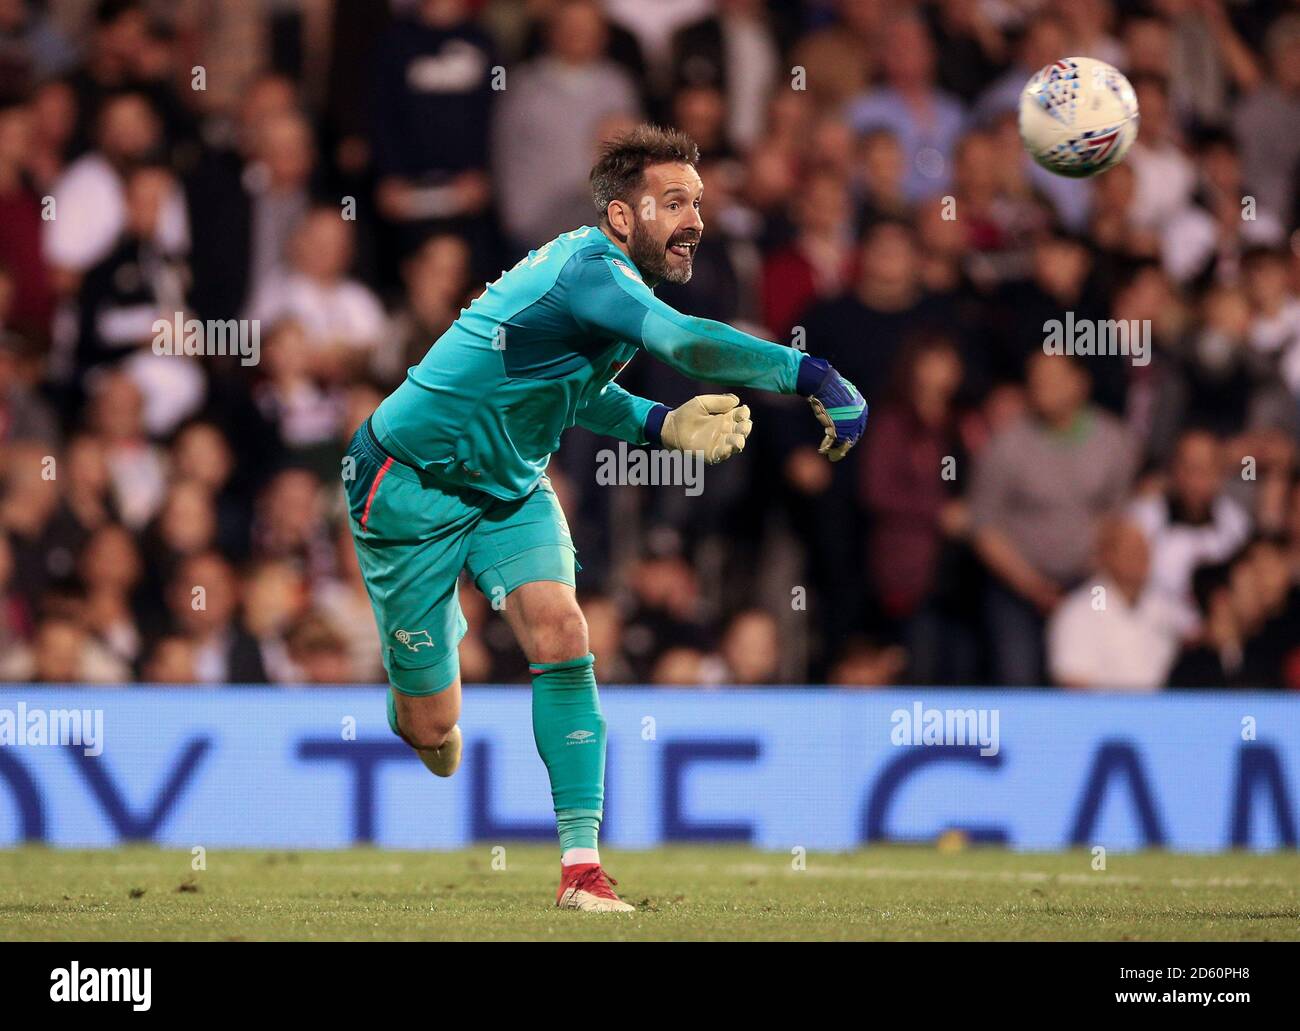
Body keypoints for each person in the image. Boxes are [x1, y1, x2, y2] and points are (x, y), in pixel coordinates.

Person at [343, 125, 867, 912]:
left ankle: (580, 869)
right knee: (432, 728)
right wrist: (809, 371)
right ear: (622, 217)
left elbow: (573, 387)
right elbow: (689, 344)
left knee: (562, 631)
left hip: (510, 485)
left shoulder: (604, 280)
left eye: (698, 201)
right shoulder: (594, 272)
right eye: (674, 202)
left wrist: (661, 425)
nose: (694, 218)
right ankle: (417, 686)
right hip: (408, 483)